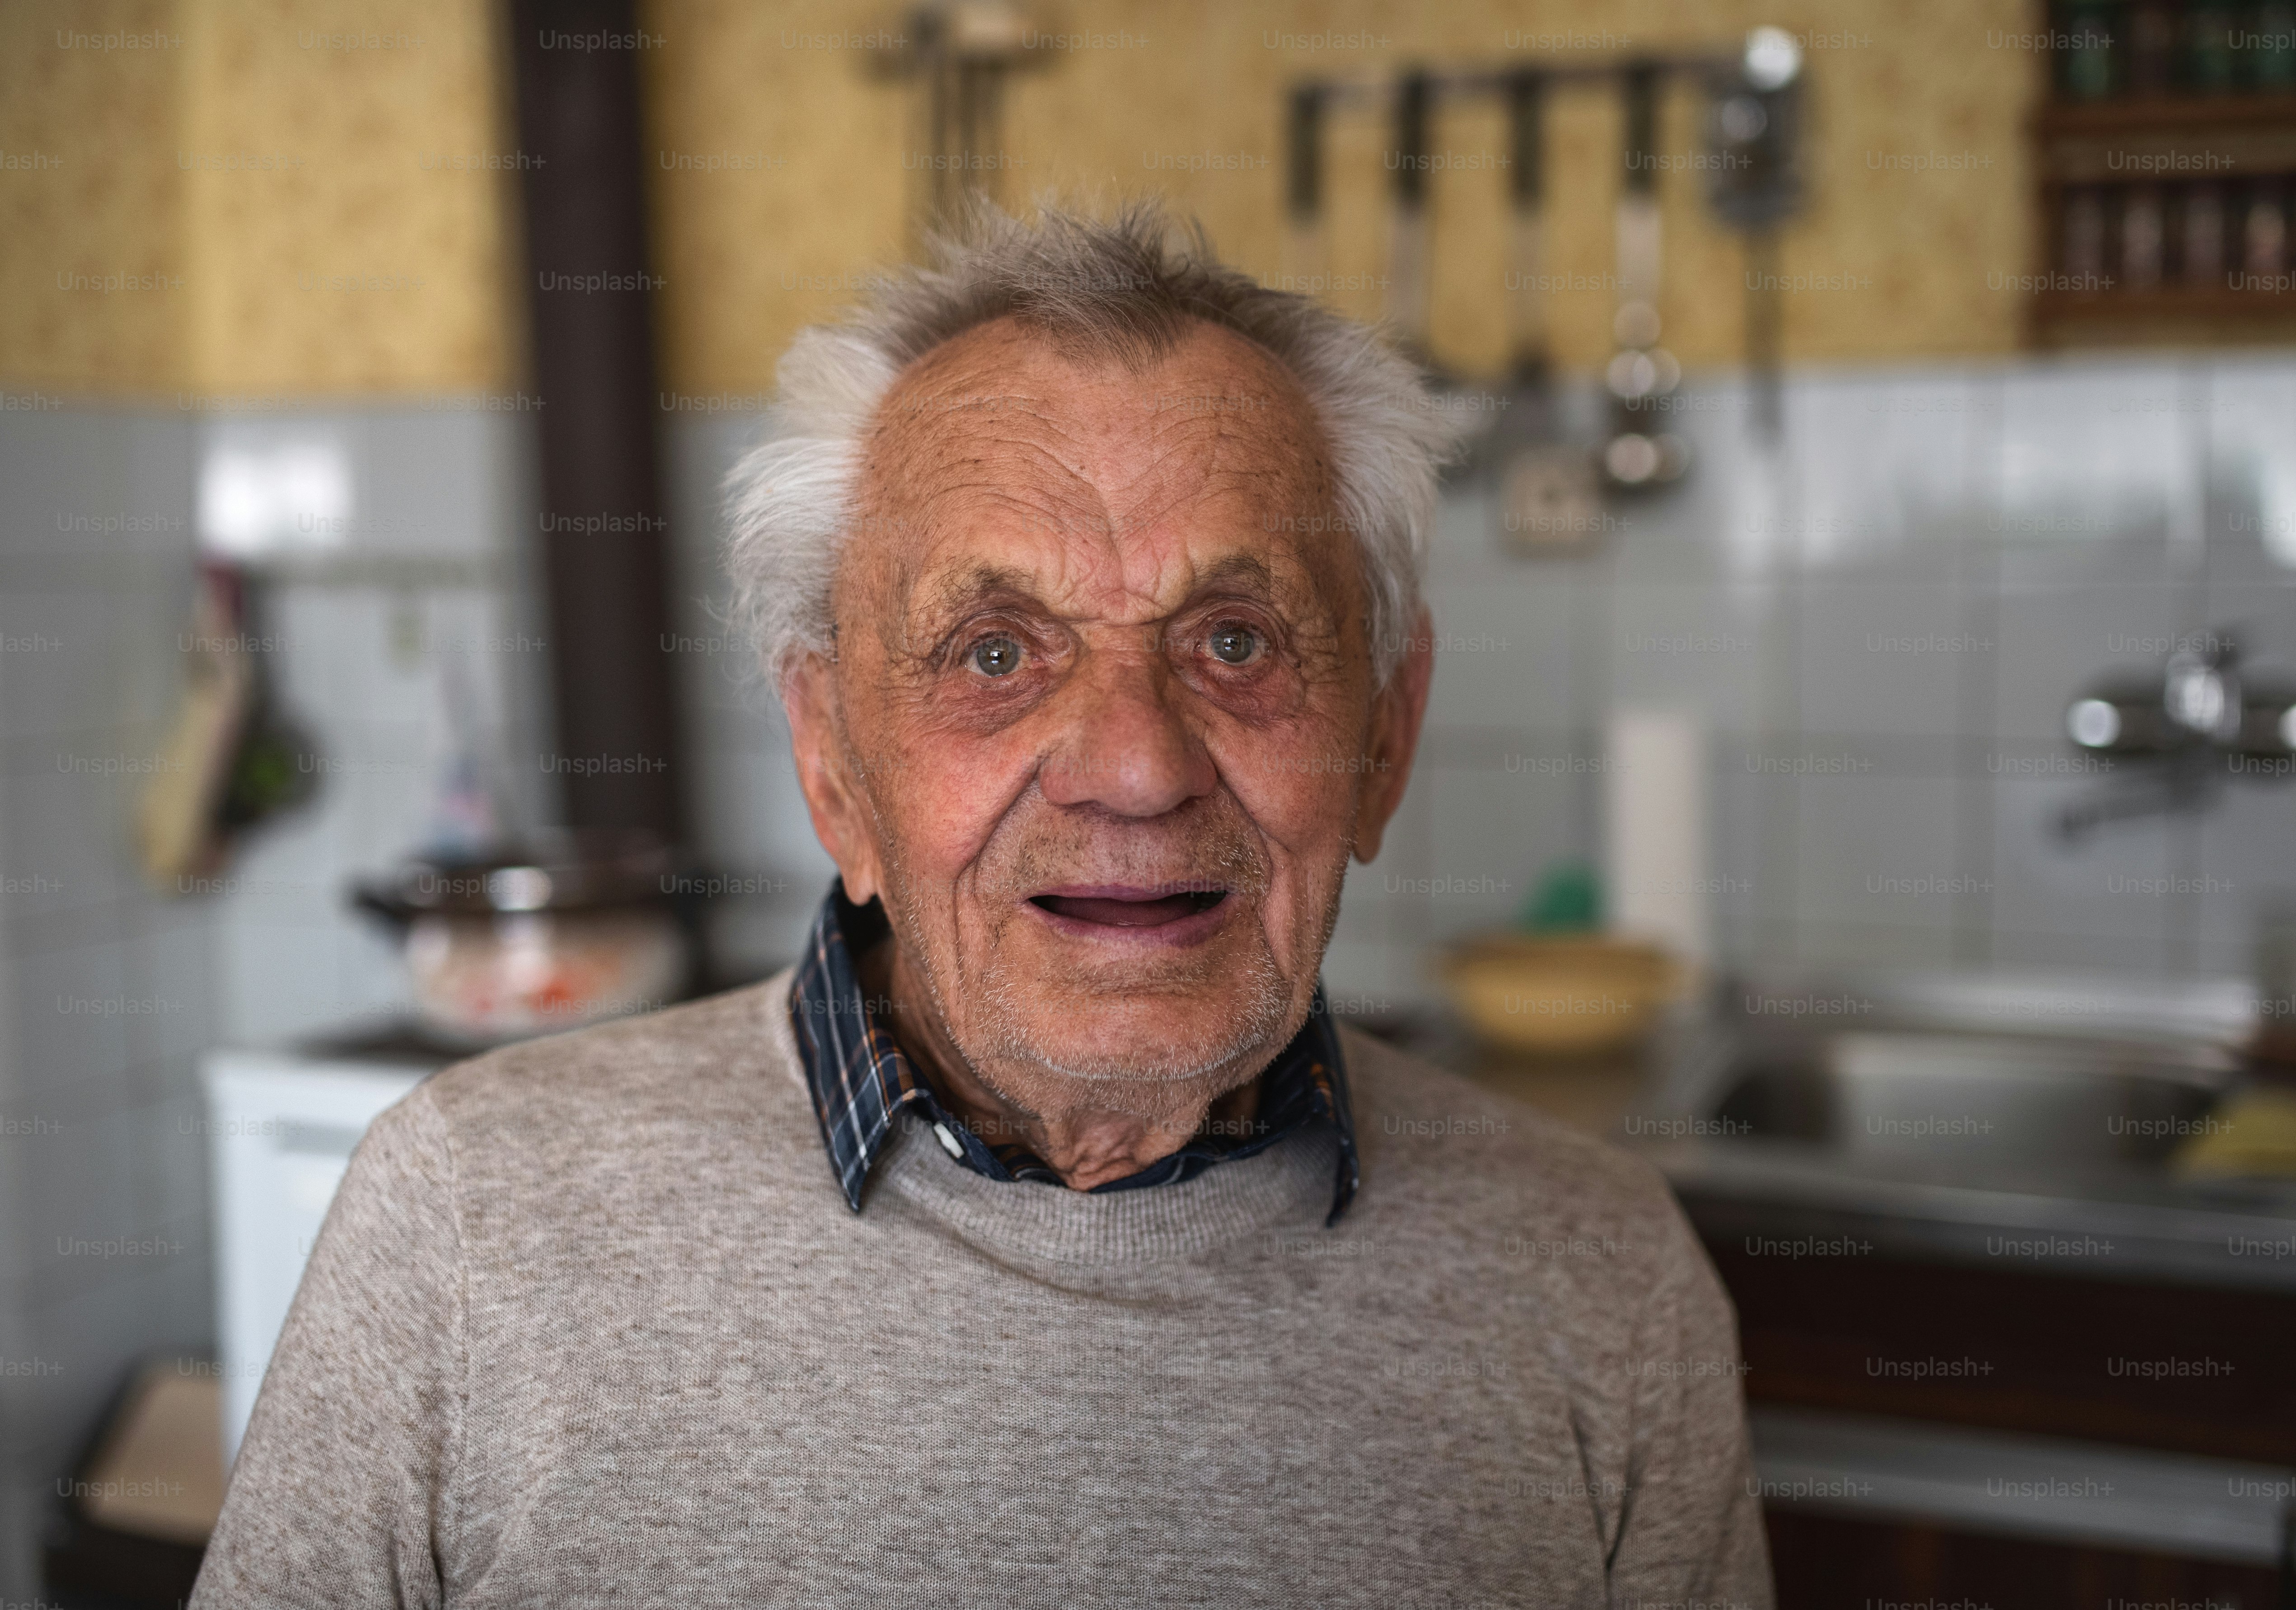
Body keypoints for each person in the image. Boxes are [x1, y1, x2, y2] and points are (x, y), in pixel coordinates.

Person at [193, 201, 1773, 1609]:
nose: (1136, 768)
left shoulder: (1604, 1281)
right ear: (832, 762)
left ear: (1384, 736)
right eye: (995, 653)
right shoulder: (468, 1219)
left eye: (1235, 640)